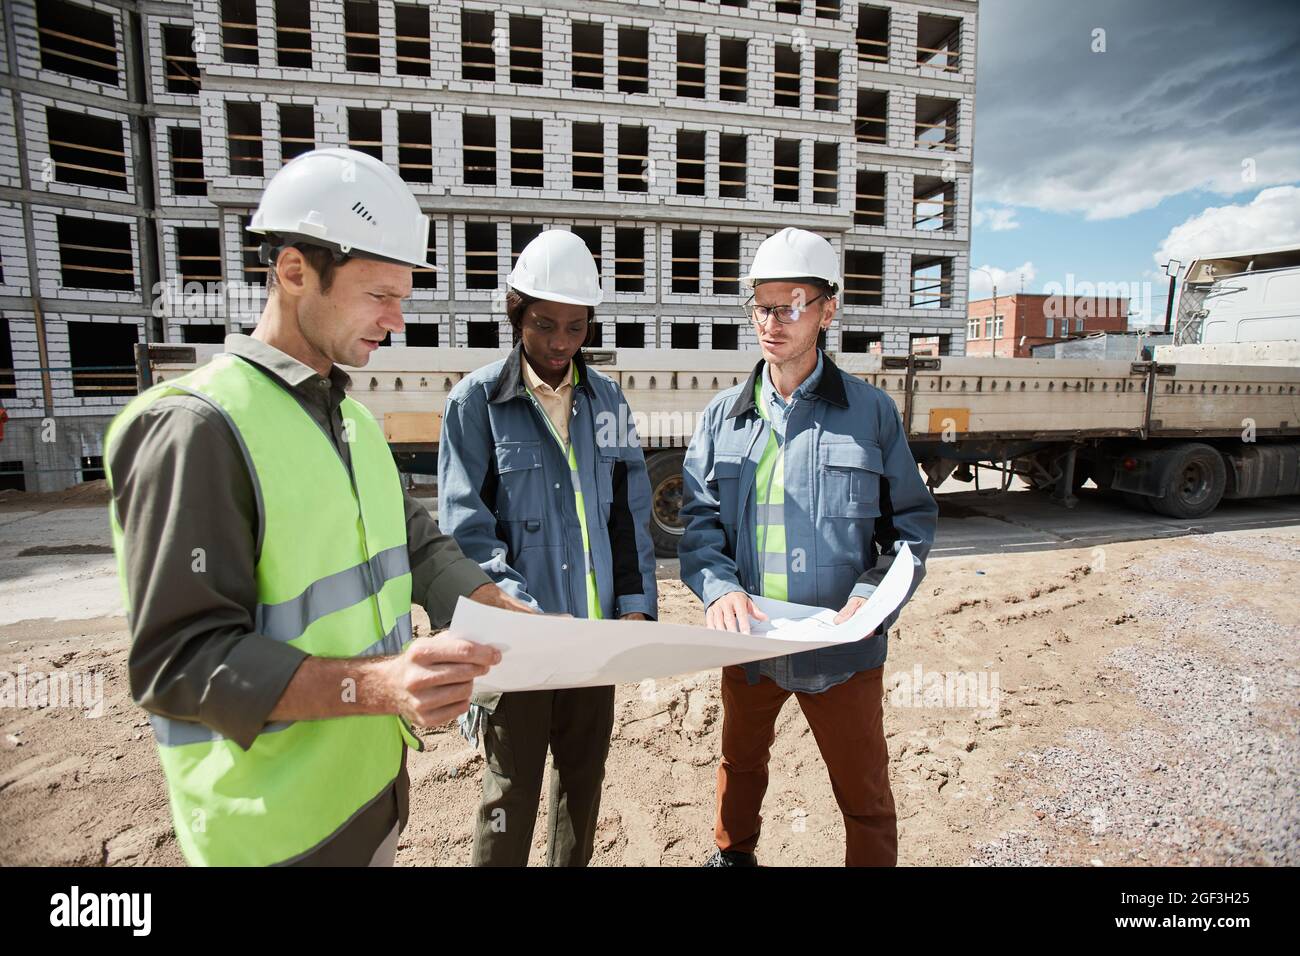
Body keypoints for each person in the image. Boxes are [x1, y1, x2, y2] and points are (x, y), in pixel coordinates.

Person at [104, 147, 530, 866]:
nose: (398, 318)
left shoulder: (350, 420)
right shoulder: (199, 427)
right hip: (273, 832)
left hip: (370, 794)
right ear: (296, 270)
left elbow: (416, 542)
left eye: (403, 294)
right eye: (379, 295)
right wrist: (385, 684)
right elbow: (178, 661)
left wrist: (494, 604)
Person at [678, 227, 938, 867]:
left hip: (841, 649)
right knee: (740, 765)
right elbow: (700, 524)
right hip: (752, 643)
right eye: (763, 307)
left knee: (864, 791)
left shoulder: (871, 413)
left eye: (792, 304)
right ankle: (733, 856)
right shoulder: (722, 417)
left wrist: (868, 594)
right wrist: (719, 588)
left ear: (828, 309)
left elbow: (912, 524)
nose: (773, 322)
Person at [438, 229, 658, 866]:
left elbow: (627, 513)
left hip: (593, 640)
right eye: (544, 325)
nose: (561, 343)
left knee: (581, 792)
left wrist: (635, 605)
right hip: (520, 642)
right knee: (509, 793)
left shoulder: (607, 400)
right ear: (516, 314)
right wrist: (522, 612)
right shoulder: (476, 402)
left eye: (575, 326)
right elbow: (467, 529)